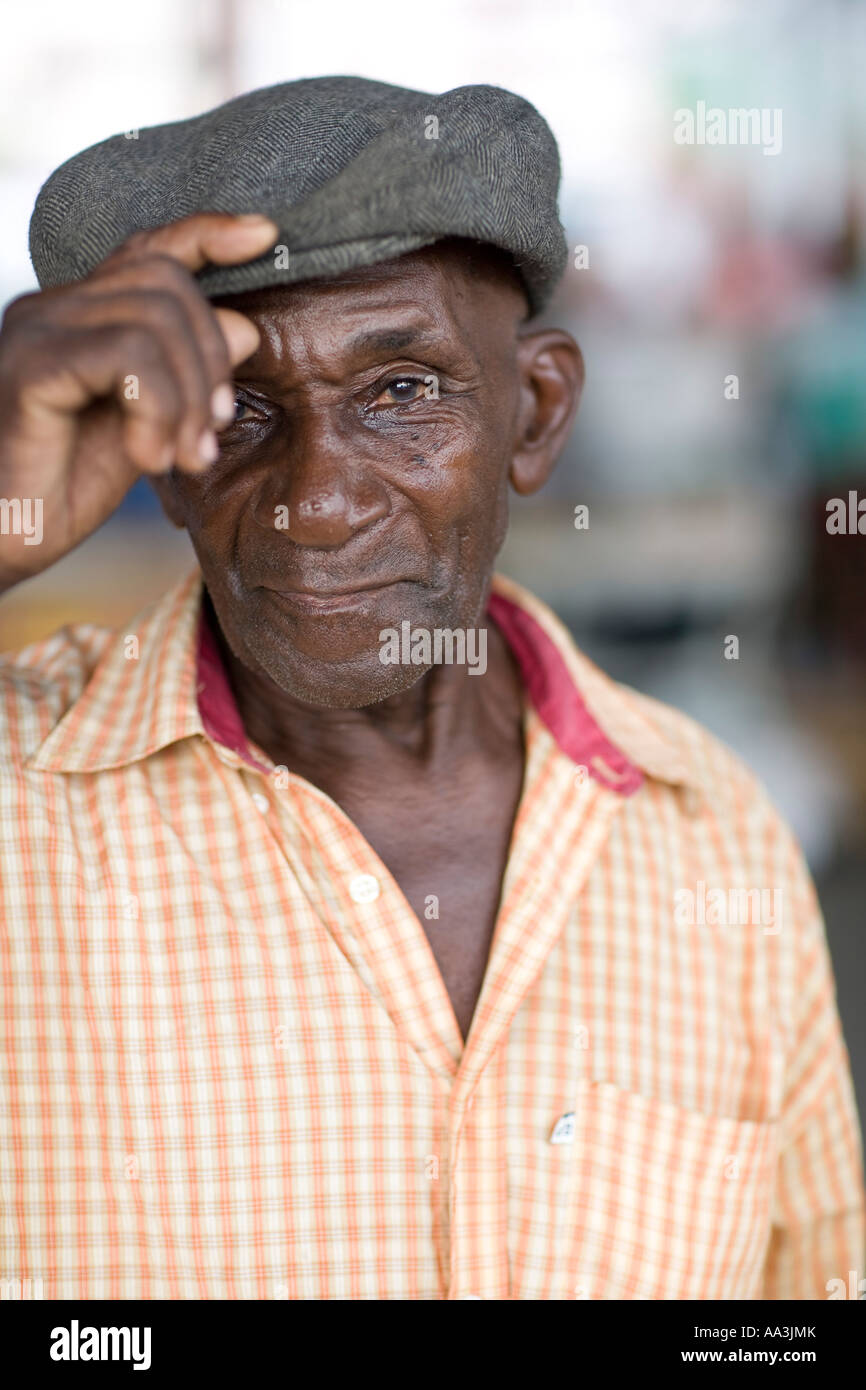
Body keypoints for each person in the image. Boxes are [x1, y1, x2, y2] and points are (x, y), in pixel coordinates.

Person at [0, 77, 862, 1301]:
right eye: (238, 409)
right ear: (161, 460)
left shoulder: (713, 831)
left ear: (535, 412)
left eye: (399, 390)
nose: (320, 498)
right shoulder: (20, 813)